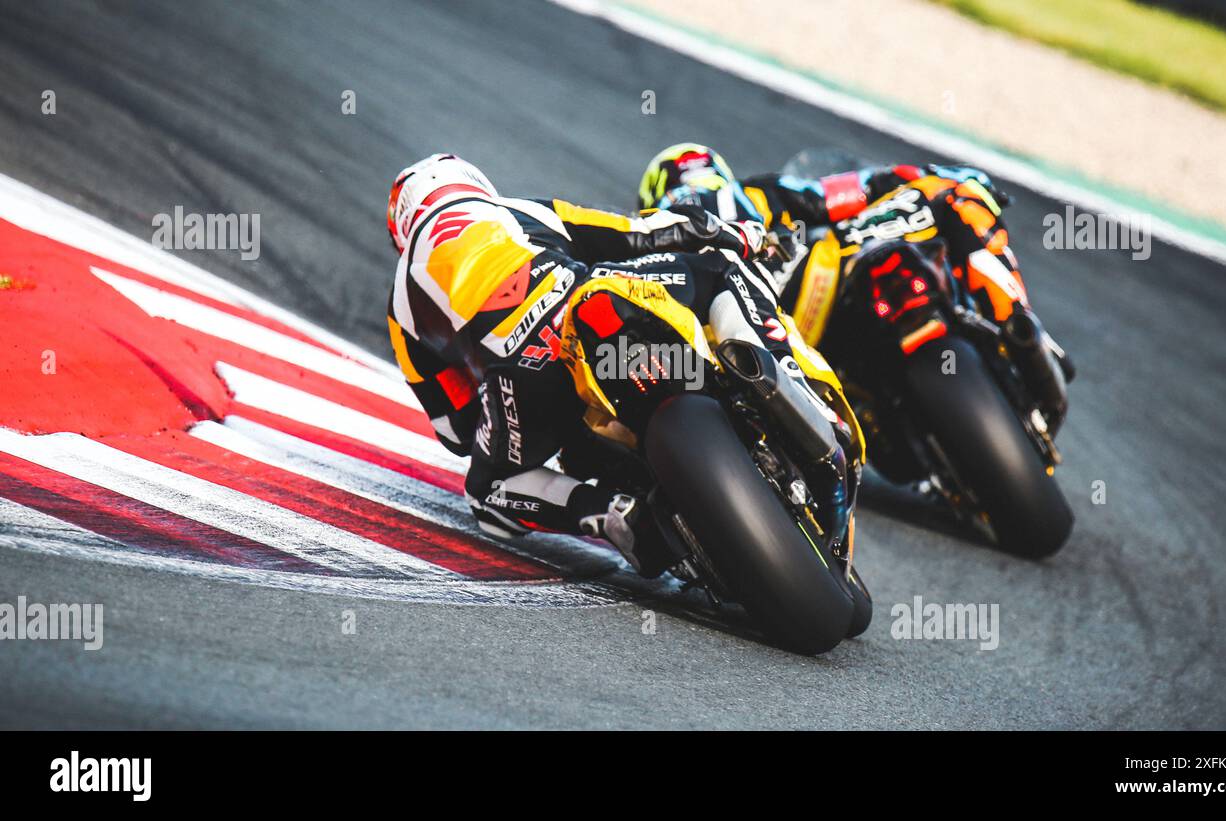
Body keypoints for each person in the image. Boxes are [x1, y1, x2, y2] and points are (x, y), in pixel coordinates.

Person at [385, 152, 824, 575]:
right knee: (723, 266)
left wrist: (501, 404)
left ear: (402, 228)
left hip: (521, 380)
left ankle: (612, 515)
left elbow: (457, 432)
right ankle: (781, 375)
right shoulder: (517, 210)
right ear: (474, 183)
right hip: (589, 304)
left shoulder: (400, 309)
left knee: (488, 495)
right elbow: (639, 233)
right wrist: (741, 236)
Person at [637, 143, 1071, 413]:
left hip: (785, 340)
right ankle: (1019, 321)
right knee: (958, 196)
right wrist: (930, 179)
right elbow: (851, 190)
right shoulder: (757, 193)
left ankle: (1016, 321)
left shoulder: (656, 236)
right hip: (804, 313)